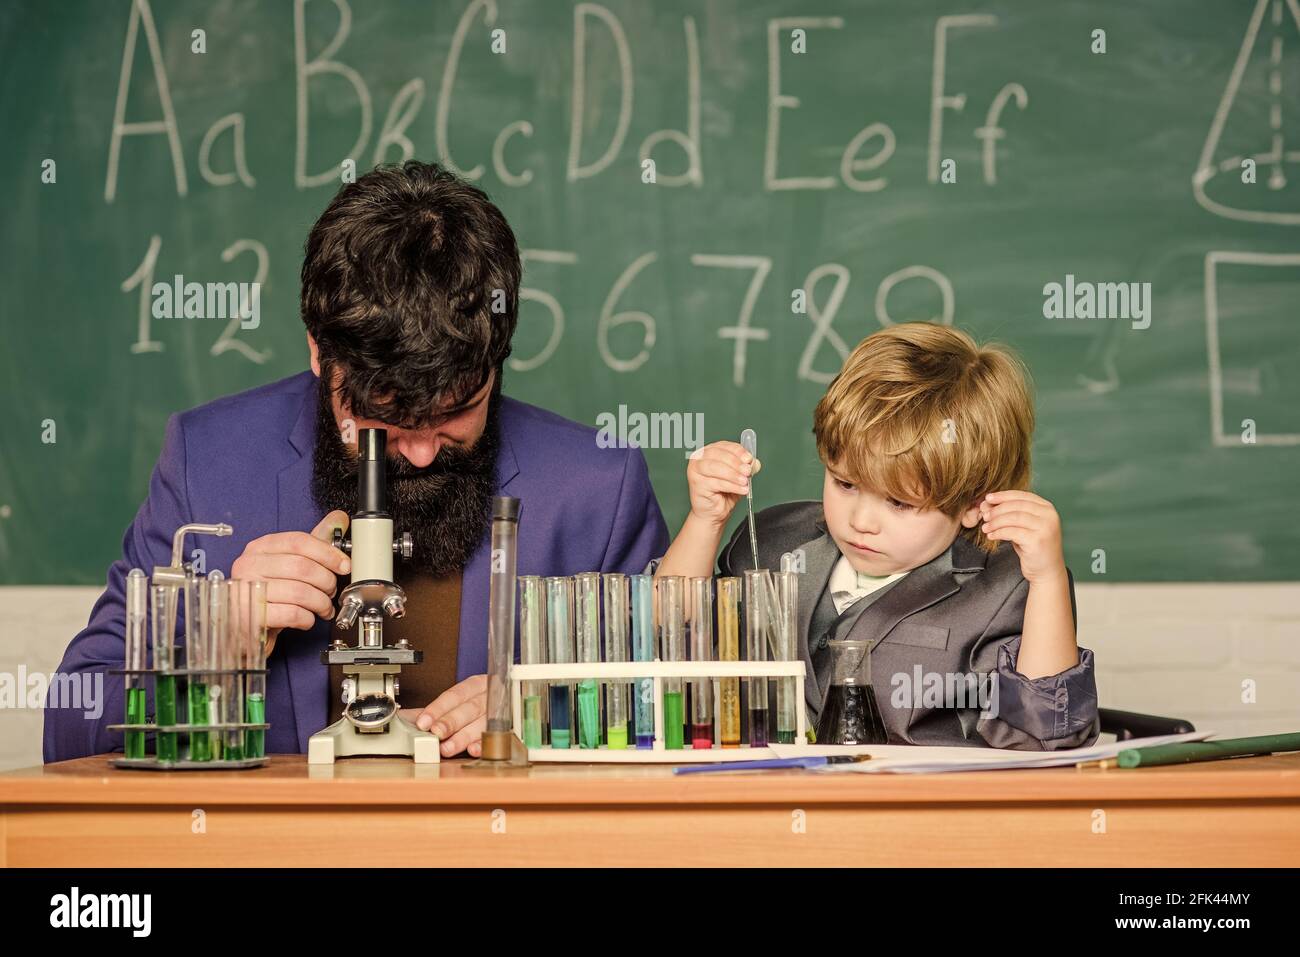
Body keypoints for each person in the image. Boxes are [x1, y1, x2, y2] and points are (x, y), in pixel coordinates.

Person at [44, 161, 669, 762]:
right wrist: (221, 641)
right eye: (388, 420)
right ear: (321, 352)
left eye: (457, 412)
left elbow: (678, 716)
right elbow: (71, 728)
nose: (423, 453)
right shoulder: (207, 460)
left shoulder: (596, 486)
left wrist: (544, 712)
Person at [655, 322, 1099, 749]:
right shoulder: (773, 540)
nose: (861, 520)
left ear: (971, 504)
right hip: (756, 800)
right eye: (845, 484)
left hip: (909, 814)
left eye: (900, 503)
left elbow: (1046, 731)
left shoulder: (1007, 586)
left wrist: (1048, 581)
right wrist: (705, 522)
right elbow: (664, 640)